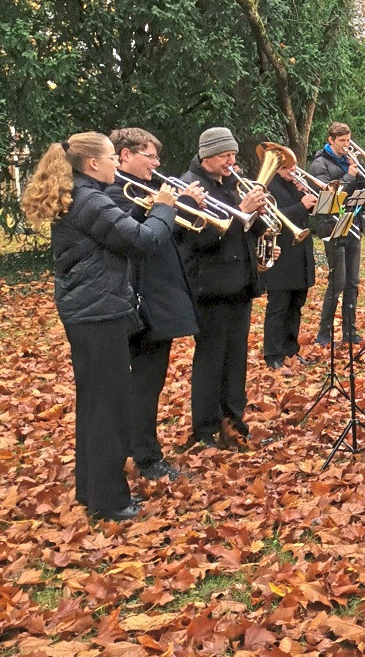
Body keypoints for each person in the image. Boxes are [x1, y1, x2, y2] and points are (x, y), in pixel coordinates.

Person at [21, 133, 180, 520]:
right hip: (98, 312)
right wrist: (163, 207)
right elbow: (142, 241)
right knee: (109, 407)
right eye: (111, 158)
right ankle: (110, 501)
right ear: (93, 163)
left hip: (90, 310)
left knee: (95, 404)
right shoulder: (91, 199)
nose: (115, 164)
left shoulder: (84, 195)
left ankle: (92, 490)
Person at [106, 128, 201, 482]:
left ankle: (140, 450)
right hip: (140, 300)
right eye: (150, 156)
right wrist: (168, 205)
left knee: (151, 381)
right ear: (125, 155)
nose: (157, 164)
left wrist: (183, 207)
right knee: (144, 383)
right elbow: (138, 238)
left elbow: (168, 235)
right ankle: (144, 456)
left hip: (157, 296)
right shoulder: (114, 193)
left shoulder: (143, 190)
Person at [177, 127, 269, 450]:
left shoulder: (230, 184)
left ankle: (233, 422)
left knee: (236, 358)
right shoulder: (191, 187)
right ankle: (205, 429)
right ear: (207, 157)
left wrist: (258, 215)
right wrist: (242, 210)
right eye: (225, 156)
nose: (232, 161)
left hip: (240, 284)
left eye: (233, 155)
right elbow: (198, 238)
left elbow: (248, 228)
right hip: (210, 287)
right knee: (211, 360)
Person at [309, 122, 365, 345]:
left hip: (352, 223)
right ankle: (324, 334)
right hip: (331, 225)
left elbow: (364, 188)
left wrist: (359, 170)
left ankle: (349, 331)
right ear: (331, 140)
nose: (346, 145)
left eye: (348, 141)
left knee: (353, 281)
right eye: (342, 141)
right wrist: (349, 176)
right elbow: (328, 195)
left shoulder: (349, 161)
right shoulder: (320, 164)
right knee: (338, 282)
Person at [262, 163, 317, 369]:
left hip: (300, 254)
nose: (292, 171)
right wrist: (301, 205)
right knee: (279, 307)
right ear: (276, 167)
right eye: (287, 167)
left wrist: (308, 199)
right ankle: (273, 354)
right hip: (282, 253)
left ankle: (290, 350)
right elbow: (272, 217)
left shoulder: (294, 186)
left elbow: (307, 214)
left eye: (294, 166)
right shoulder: (268, 186)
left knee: (296, 306)